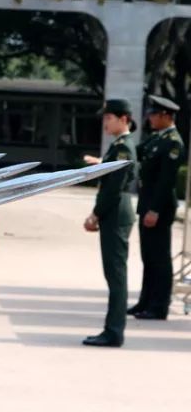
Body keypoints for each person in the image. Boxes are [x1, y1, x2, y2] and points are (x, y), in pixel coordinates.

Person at [82, 99, 138, 347]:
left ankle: (114, 331)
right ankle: (112, 329)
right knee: (113, 273)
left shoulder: (124, 147)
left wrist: (95, 213)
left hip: (116, 211)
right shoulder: (118, 146)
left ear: (124, 119)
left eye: (109, 117)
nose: (105, 122)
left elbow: (114, 187)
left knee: (116, 274)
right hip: (115, 211)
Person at [130, 94, 184, 320]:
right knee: (148, 257)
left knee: (160, 258)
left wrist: (154, 210)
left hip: (158, 209)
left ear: (165, 116)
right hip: (147, 205)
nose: (149, 118)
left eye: (153, 114)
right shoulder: (157, 139)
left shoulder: (173, 143)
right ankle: (145, 301)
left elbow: (166, 181)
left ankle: (159, 306)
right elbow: (136, 153)